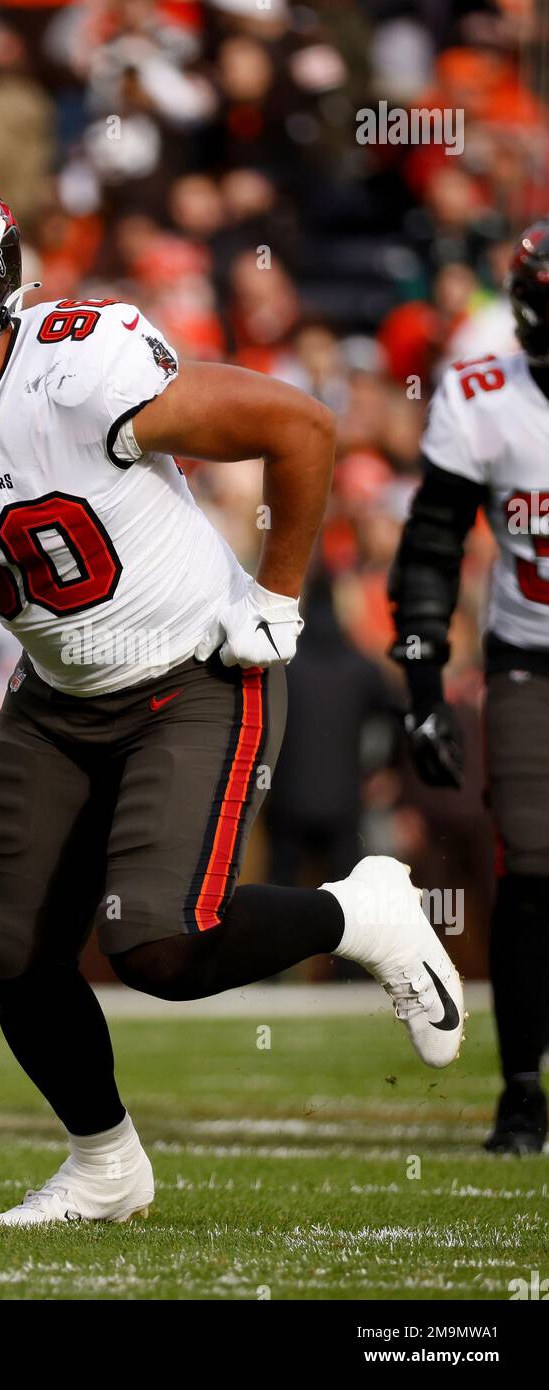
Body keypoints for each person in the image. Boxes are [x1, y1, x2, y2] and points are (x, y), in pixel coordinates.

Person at [0, 170, 464, 1225]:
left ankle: (362, 911)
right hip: (58, 698)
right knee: (13, 951)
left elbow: (298, 427)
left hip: (196, 671)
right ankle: (105, 1163)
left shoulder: (74, 367)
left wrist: (281, 597)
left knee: (158, 945)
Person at [389, 222, 549, 1155]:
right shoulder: (486, 398)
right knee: (529, 869)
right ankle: (521, 1090)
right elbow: (432, 548)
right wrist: (420, 682)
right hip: (528, 659)